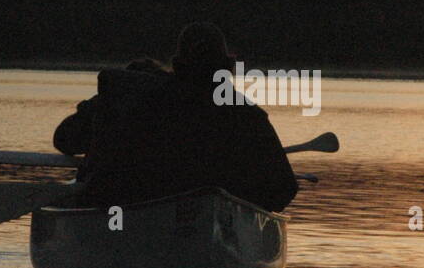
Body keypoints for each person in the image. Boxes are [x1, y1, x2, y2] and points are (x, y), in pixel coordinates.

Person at [57, 24, 298, 212]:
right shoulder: (247, 115)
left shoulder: (130, 98)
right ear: (226, 66)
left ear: (178, 64)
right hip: (198, 220)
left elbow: (66, 140)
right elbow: (283, 188)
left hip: (123, 213)